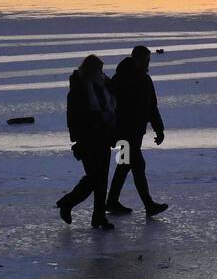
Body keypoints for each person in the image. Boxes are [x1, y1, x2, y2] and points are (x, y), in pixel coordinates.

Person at [106, 45, 169, 218]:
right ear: (135, 59)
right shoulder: (120, 79)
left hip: (136, 132)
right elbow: (110, 105)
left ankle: (111, 201)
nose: (146, 63)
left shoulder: (145, 80)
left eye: (148, 60)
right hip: (124, 132)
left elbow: (152, 107)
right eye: (144, 60)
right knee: (138, 165)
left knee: (125, 165)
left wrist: (159, 129)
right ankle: (149, 205)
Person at [57, 54, 117, 229]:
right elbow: (76, 117)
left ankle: (98, 217)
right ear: (91, 70)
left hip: (104, 137)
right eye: (99, 70)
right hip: (88, 139)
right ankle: (68, 203)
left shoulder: (101, 86)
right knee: (94, 178)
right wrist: (98, 120)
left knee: (101, 180)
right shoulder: (78, 90)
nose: (102, 73)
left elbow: (112, 98)